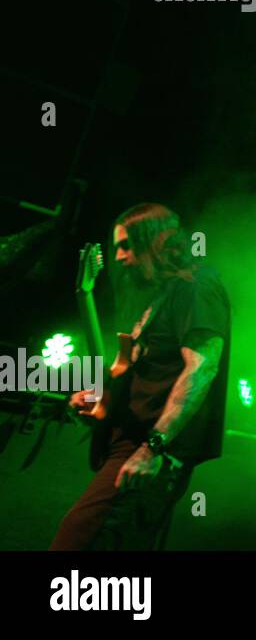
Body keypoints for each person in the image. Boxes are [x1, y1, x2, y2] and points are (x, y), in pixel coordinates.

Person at [50, 202, 231, 550]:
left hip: (151, 450)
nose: (119, 257)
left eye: (127, 245)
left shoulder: (197, 287)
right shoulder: (159, 297)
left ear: (156, 242)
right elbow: (132, 372)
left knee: (79, 539)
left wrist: (153, 448)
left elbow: (202, 368)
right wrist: (98, 400)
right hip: (128, 445)